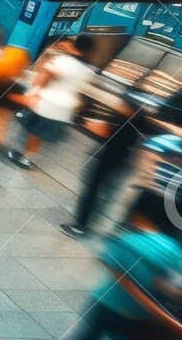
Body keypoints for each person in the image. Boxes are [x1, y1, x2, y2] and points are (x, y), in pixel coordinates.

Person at [40, 191, 182, 340]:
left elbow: (106, 261)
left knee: (90, 336)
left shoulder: (127, 242)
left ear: (139, 214)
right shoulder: (175, 251)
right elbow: (176, 285)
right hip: (141, 317)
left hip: (107, 304)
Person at [61, 93, 145, 239]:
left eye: (123, 104)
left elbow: (103, 130)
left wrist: (81, 120)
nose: (120, 106)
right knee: (103, 193)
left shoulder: (121, 119)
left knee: (93, 191)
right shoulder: (137, 121)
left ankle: (81, 227)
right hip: (122, 161)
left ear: (130, 108)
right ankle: (88, 224)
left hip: (109, 159)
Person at [6, 35, 96, 168]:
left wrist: (32, 93)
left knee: (34, 133)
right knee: (38, 134)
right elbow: (80, 92)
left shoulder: (63, 61)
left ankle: (24, 158)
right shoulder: (89, 70)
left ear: (75, 44)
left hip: (47, 103)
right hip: (64, 109)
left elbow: (43, 78)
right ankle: (26, 157)